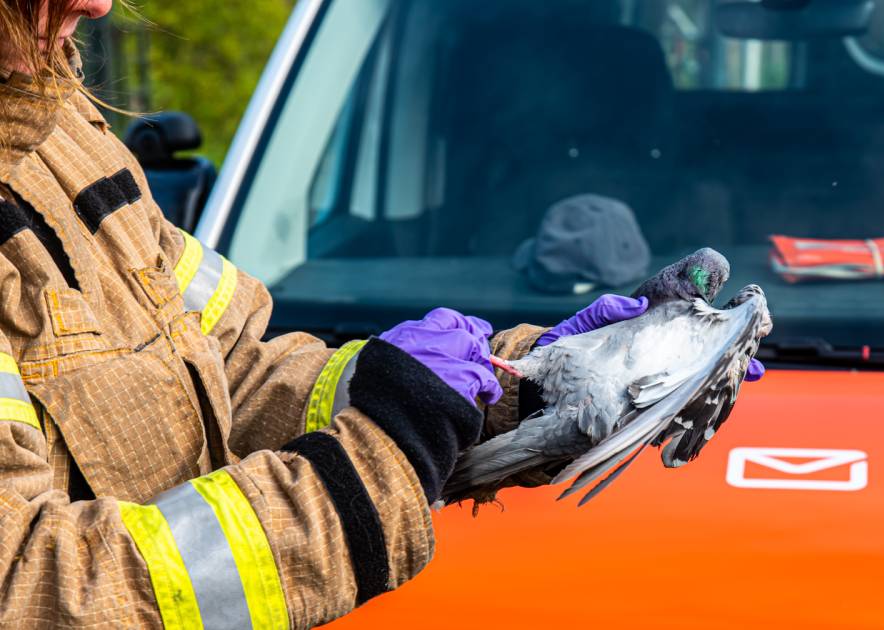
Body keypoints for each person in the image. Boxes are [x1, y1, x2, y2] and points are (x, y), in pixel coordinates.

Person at [0, 1, 763, 627]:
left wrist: (513, 385)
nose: (97, 3)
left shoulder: (62, 135)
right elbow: (28, 588)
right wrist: (373, 459)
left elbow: (227, 370)